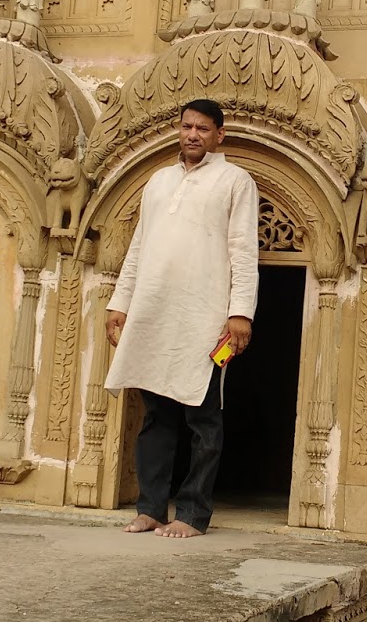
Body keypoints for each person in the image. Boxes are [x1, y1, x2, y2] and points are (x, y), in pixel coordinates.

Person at [103, 99, 259, 538]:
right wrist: (120, 303)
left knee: (202, 417)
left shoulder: (235, 181)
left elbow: (243, 251)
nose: (193, 135)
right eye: (187, 127)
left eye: (203, 129)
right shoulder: (158, 181)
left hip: (204, 317)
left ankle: (192, 513)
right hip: (155, 314)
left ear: (219, 135)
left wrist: (240, 313)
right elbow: (138, 247)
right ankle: (150, 508)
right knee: (156, 415)